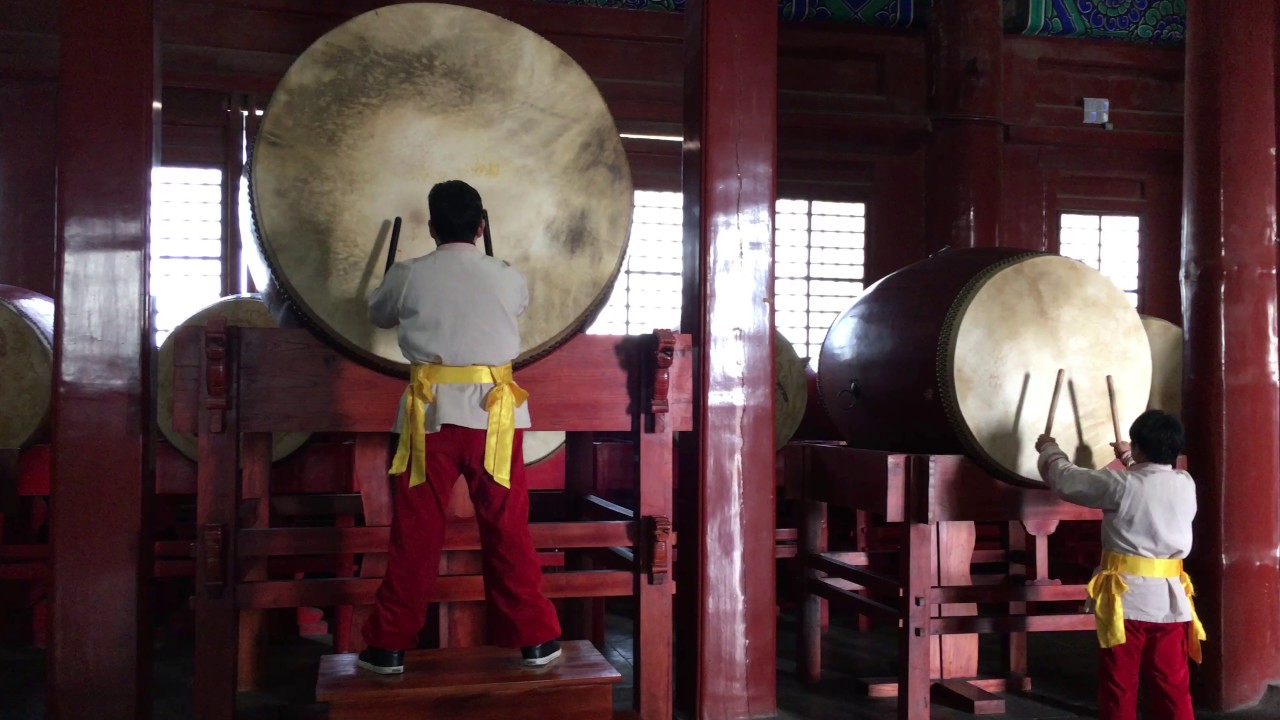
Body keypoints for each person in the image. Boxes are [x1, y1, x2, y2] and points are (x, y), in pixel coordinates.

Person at [357, 180, 561, 674]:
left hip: (429, 418)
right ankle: (535, 639)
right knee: (507, 528)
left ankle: (388, 646)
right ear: (481, 226)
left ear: (431, 227)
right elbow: (514, 306)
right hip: (495, 416)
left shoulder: (408, 274)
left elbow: (378, 314)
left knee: (416, 532)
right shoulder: (506, 276)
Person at [1035, 409, 1206, 720]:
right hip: (1172, 602)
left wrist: (1049, 448)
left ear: (1139, 446)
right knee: (1172, 686)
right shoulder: (1185, 482)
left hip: (1126, 602)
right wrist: (1129, 458)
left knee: (1119, 686)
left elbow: (1066, 479)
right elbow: (1149, 483)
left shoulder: (1120, 485)